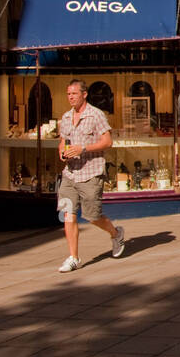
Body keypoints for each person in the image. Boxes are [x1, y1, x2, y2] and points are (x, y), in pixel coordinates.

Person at [56, 80, 125, 272]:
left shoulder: (96, 115)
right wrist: (62, 153)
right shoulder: (66, 117)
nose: (70, 97)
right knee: (68, 214)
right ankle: (73, 257)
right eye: (68, 94)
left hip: (91, 173)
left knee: (92, 216)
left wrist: (83, 148)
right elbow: (62, 142)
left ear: (84, 94)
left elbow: (108, 141)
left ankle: (115, 233)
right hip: (70, 173)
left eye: (74, 94)